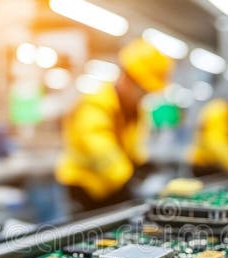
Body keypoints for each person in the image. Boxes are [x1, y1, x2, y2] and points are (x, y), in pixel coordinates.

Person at [55, 39, 173, 212]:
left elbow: (131, 145)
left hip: (112, 188)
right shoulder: (96, 103)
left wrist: (141, 165)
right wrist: (127, 179)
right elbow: (98, 146)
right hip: (85, 190)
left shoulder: (134, 110)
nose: (144, 96)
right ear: (127, 78)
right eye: (143, 89)